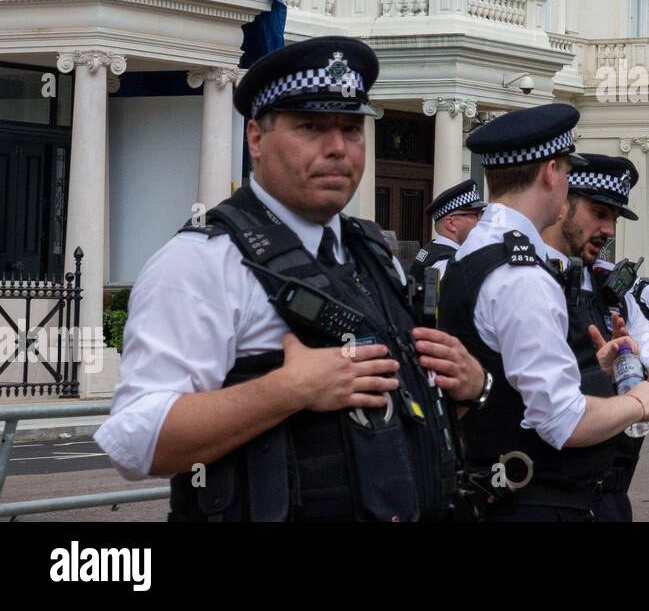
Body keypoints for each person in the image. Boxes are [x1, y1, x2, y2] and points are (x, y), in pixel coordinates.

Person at [95, 36, 484, 521]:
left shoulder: (372, 252)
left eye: (351, 128)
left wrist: (471, 387)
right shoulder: (203, 263)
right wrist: (287, 390)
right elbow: (134, 443)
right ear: (255, 138)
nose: (338, 149)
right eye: (311, 127)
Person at [437, 104, 649, 521]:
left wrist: (593, 371)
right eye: (566, 171)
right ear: (551, 173)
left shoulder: (478, 249)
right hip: (536, 502)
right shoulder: (522, 272)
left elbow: (506, 374)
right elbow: (562, 421)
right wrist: (640, 401)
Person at [541, 153, 649, 521]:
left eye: (614, 218)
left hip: (611, 500)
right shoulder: (528, 278)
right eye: (599, 212)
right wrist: (621, 379)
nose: (609, 230)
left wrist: (626, 363)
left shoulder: (616, 293)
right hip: (548, 499)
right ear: (562, 204)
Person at [409, 179, 485, 289]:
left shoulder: (433, 250)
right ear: (451, 223)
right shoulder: (446, 264)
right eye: (475, 215)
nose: (480, 221)